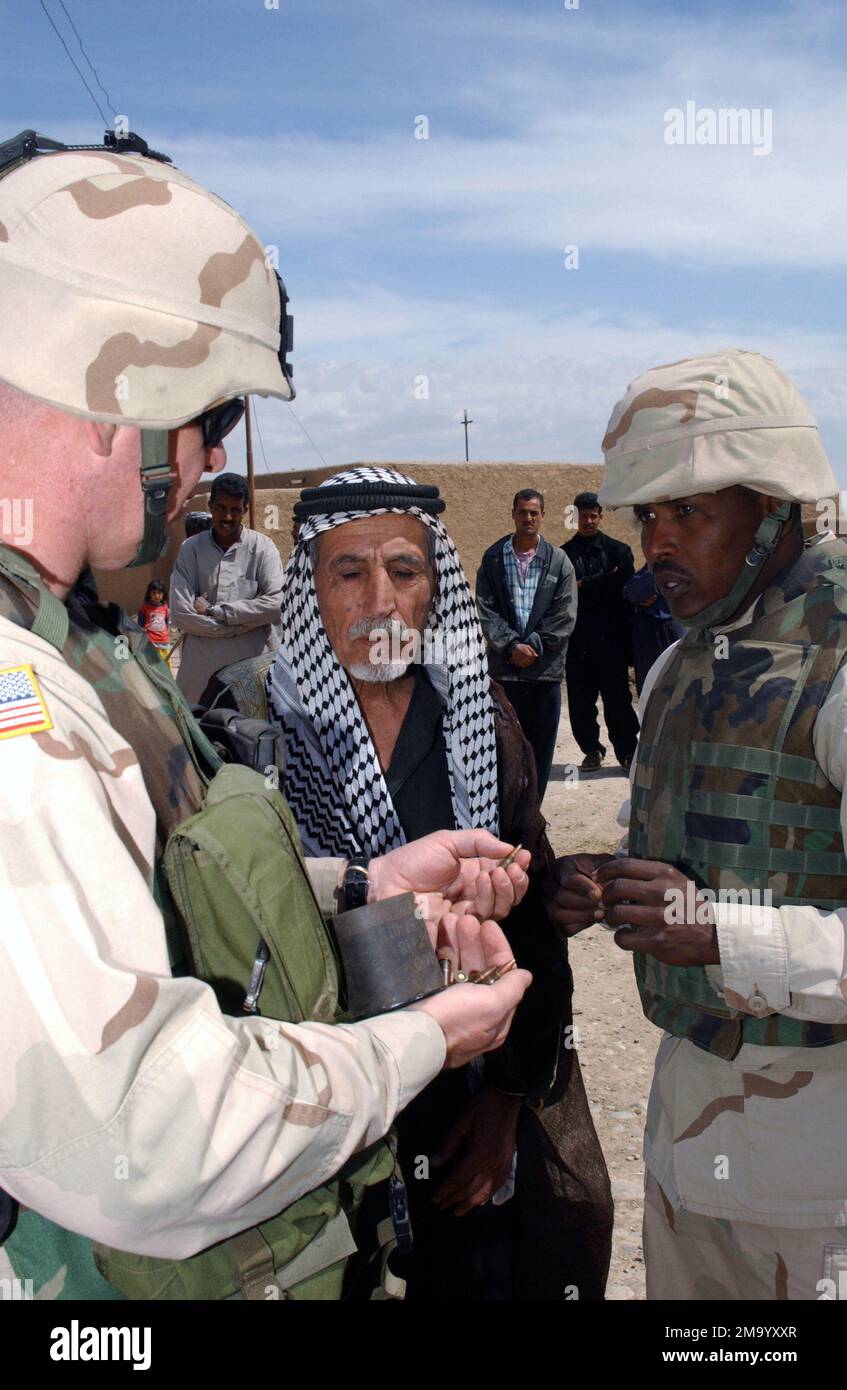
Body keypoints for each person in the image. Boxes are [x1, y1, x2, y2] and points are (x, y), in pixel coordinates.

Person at [0, 128, 530, 1301]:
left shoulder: (64, 640)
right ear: (115, 395)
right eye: (209, 415)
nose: (207, 465)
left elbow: (162, 874)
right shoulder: (16, 702)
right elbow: (143, 1136)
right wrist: (429, 1040)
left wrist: (363, 884)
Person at [206, 467, 611, 1299]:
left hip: (456, 1087)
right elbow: (214, 919)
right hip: (307, 1090)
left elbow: (528, 922)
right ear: (310, 589)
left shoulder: (478, 720)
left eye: (404, 570)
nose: (379, 599)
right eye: (347, 572)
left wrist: (503, 1101)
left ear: (435, 590)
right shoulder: (245, 720)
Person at [549, 347, 847, 1301]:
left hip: (820, 1186)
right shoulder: (687, 664)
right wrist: (609, 880)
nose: (658, 544)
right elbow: (690, 854)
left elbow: (717, 913)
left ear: (771, 509)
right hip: (692, 1150)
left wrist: (720, 931)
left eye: (690, 512)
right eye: (649, 516)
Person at [476, 489, 577, 800]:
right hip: (504, 674)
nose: (528, 518)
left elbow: (565, 615)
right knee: (503, 749)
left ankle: (533, 814)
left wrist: (532, 645)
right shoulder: (493, 559)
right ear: (513, 514)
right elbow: (485, 609)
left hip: (543, 674)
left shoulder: (559, 562)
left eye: (534, 512)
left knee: (539, 752)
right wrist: (510, 647)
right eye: (523, 512)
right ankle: (506, 814)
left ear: (543, 516)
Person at [170, 472, 285, 703]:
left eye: (235, 510)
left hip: (251, 675)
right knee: (198, 735)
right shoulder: (190, 549)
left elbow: (275, 604)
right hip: (198, 676)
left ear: (246, 509)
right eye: (221, 508)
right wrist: (242, 625)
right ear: (210, 505)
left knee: (253, 735)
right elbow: (182, 615)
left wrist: (216, 612)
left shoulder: (263, 549)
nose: (228, 517)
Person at [562, 491, 639, 772]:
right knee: (581, 704)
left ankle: (628, 752)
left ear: (600, 516)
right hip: (578, 641)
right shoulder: (564, 555)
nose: (589, 521)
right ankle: (592, 750)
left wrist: (585, 584)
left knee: (618, 700)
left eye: (593, 515)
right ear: (575, 517)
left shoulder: (618, 551)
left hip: (612, 641)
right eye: (583, 516)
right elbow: (565, 592)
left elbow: (624, 583)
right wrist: (605, 581)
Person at [623, 562, 684, 695]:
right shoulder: (654, 563)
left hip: (674, 630)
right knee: (650, 689)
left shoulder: (683, 560)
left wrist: (653, 587)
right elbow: (631, 591)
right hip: (650, 634)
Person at [137, 576, 171, 654]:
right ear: (149, 594)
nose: (156, 595)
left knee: (165, 662)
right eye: (154, 593)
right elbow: (140, 622)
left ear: (163, 594)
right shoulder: (145, 606)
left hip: (163, 640)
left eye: (159, 593)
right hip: (150, 640)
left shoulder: (165, 607)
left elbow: (166, 622)